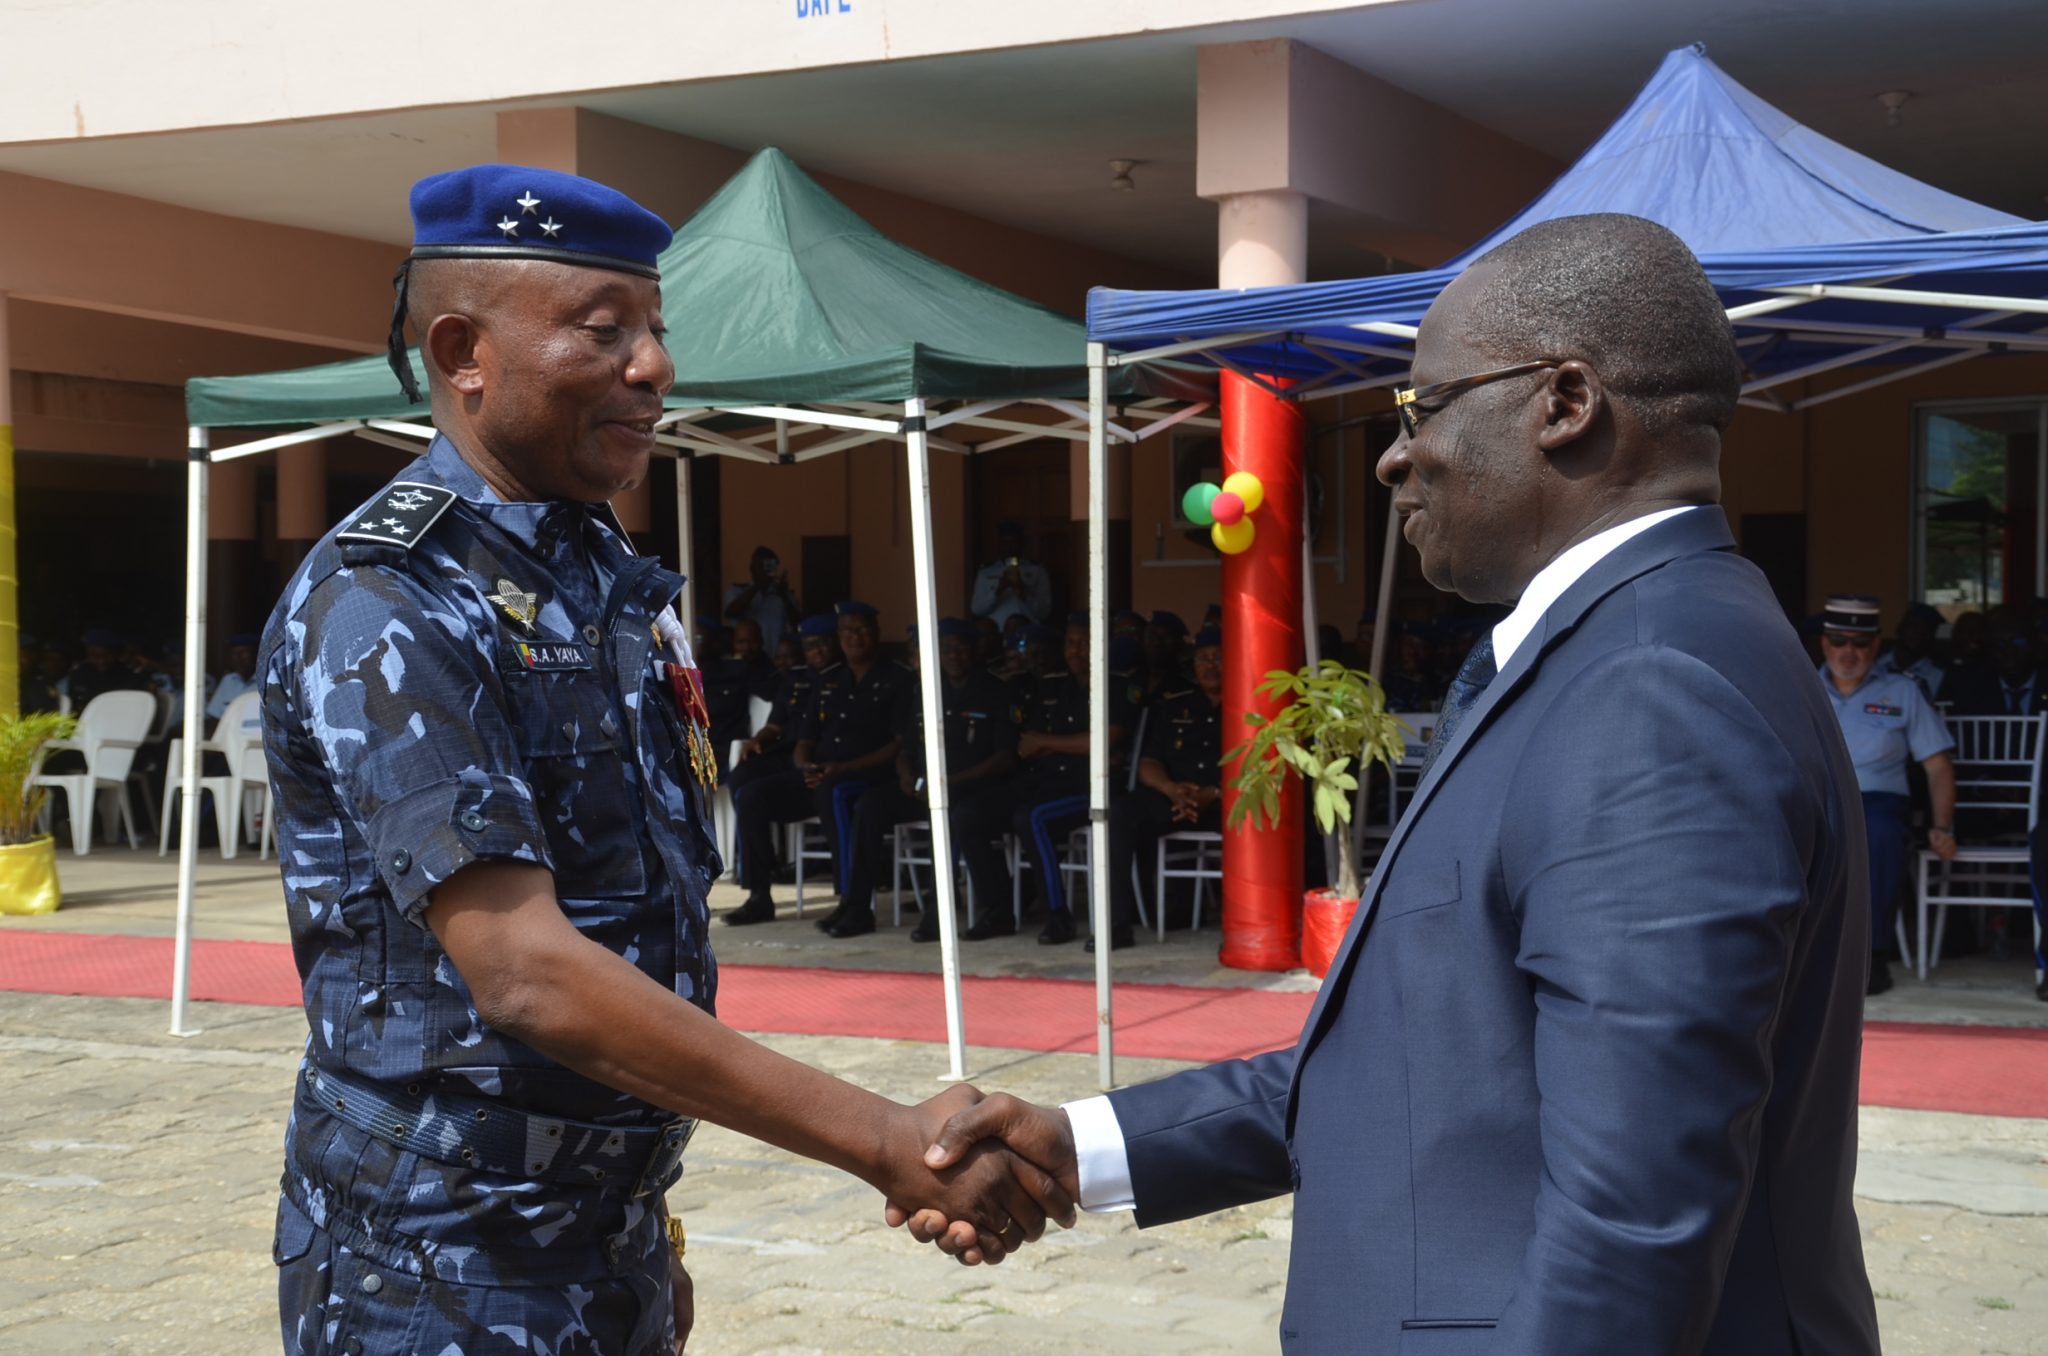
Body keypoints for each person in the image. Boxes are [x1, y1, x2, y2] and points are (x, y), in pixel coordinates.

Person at [908, 214, 1884, 1355]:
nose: (1390, 452)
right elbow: (1421, 1056)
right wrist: (1085, 1144)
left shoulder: (1648, 688)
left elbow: (1633, 1226)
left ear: (1564, 403)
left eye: (1422, 407)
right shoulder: (1627, 646)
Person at [258, 164, 1065, 1356]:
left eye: (654, 328)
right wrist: (883, 1140)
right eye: (604, 331)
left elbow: (635, 916)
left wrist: (645, 1233)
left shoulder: (592, 571)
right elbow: (525, 972)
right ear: (462, 350)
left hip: (600, 1230)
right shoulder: (392, 597)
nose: (655, 366)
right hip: (437, 1257)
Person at [826, 618, 1018, 941]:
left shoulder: (995, 691)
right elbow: (908, 748)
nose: (953, 656)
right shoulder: (926, 690)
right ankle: (857, 906)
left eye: (961, 649)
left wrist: (952, 781)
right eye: (945, 650)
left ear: (975, 651)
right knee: (870, 805)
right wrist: (906, 776)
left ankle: (958, 911)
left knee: (957, 814)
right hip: (926, 787)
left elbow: (1005, 757)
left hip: (975, 788)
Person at [725, 601, 912, 927]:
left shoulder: (897, 678)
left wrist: (842, 769)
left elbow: (899, 744)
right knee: (751, 794)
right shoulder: (830, 681)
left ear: (877, 634)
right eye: (847, 631)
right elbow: (806, 740)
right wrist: (805, 766)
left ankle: (852, 902)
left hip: (867, 775)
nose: (854, 638)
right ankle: (758, 895)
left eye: (861, 630)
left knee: (833, 794)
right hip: (821, 773)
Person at [955, 612, 1132, 945]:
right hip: (1043, 782)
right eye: (1070, 643)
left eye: (1084, 643)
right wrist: (1076, 744)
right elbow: (1027, 743)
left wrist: (1053, 744)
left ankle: (1058, 915)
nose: (1075, 650)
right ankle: (999, 910)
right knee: (968, 813)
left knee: (1031, 817)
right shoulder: (1053, 685)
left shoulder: (1118, 685)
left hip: (1089, 787)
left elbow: (1106, 738)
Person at [1819, 595, 1958, 994]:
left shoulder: (1903, 692)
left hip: (1879, 801)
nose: (1849, 652)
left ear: (1876, 645)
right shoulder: (1800, 686)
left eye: (1860, 643)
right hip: (1818, 800)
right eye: (1840, 641)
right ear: (1825, 643)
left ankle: (1872, 956)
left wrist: (1942, 826)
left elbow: (1937, 766)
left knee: (1879, 834)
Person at [1105, 626, 1224, 952]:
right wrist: (1171, 788)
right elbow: (1148, 763)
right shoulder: (1176, 705)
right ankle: (1116, 924)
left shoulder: (1250, 703)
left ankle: (1240, 920)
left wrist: (1213, 793)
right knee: (1119, 814)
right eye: (1203, 659)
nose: (1210, 666)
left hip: (1225, 804)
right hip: (1175, 799)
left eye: (1218, 658)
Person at [702, 618, 775, 778]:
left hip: (730, 745)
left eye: (752, 642)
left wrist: (747, 668)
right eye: (740, 642)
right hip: (708, 740)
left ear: (761, 642)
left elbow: (769, 693)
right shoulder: (720, 669)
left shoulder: (766, 669)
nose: (746, 648)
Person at [1939, 613, 2047, 716]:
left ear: (2035, 645)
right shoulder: (1964, 685)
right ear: (1988, 649)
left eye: (2019, 642)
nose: (2009, 651)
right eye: (2000, 644)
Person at [969, 520, 1052, 631]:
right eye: (1005, 543)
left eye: (1013, 543)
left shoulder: (1037, 571)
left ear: (1021, 544)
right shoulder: (986, 572)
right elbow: (976, 610)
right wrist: (998, 591)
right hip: (996, 633)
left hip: (1028, 632)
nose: (1009, 548)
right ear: (998, 545)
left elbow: (1044, 612)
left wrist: (1023, 593)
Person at [722, 544, 801, 652]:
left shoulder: (783, 595)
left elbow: (796, 622)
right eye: (760, 566)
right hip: (748, 654)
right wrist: (758, 585)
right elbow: (730, 612)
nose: (764, 569)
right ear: (751, 568)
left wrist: (784, 595)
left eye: (768, 565)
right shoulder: (738, 591)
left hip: (777, 655)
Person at [1873, 602, 1944, 700]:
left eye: (1925, 630)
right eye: (1913, 626)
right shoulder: (1875, 666)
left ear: (1931, 637)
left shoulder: (1937, 675)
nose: (1918, 633)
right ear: (1899, 628)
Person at [205, 632, 261, 727]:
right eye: (234, 654)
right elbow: (214, 716)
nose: (238, 659)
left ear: (256, 655)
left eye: (243, 653)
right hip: (228, 738)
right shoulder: (228, 681)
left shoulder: (265, 682)